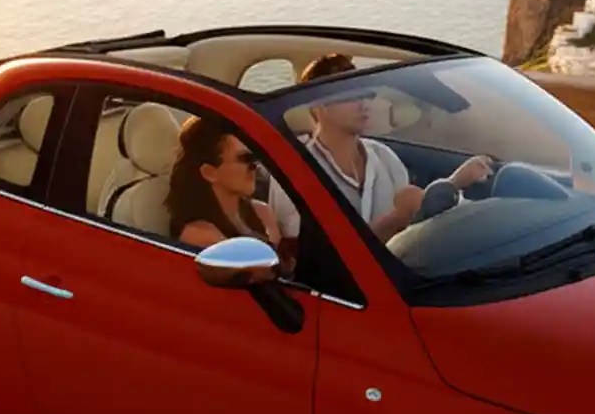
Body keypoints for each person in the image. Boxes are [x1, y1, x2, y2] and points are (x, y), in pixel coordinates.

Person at [269, 53, 493, 244]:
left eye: (365, 93)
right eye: (350, 95)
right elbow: (315, 262)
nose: (363, 103)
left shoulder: (383, 156)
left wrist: (448, 190)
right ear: (318, 105)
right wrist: (397, 217)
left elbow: (416, 226)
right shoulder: (294, 172)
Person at [164, 113, 291, 278]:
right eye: (244, 158)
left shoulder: (262, 212)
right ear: (210, 173)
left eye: (254, 157)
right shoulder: (200, 234)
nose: (254, 166)